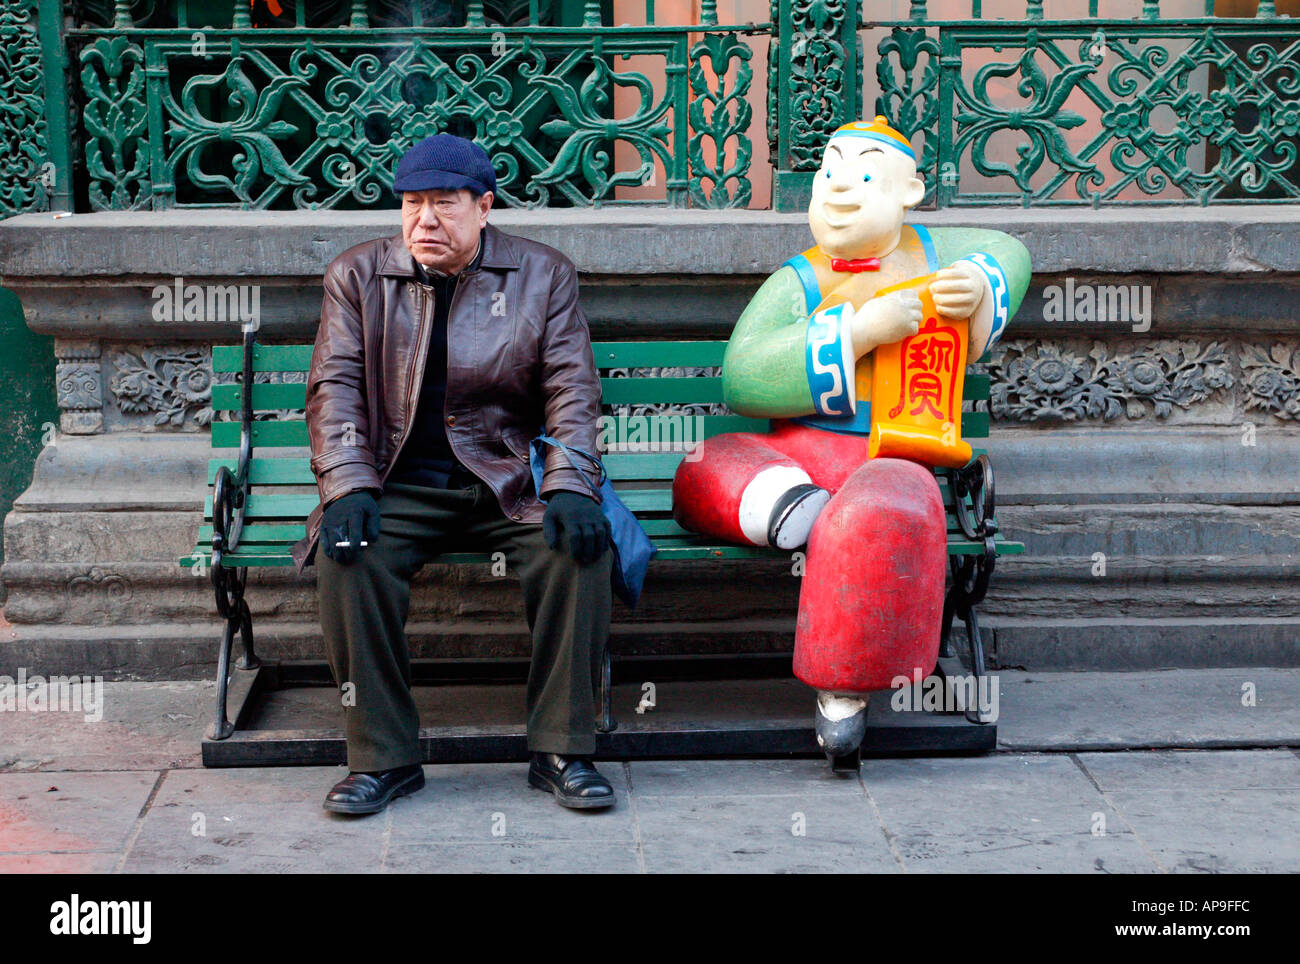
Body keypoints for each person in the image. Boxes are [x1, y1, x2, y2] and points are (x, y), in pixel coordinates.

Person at [672, 116, 1031, 757]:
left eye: (863, 176)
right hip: (792, 451)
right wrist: (860, 330)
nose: (839, 190)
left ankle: (843, 689)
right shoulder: (801, 279)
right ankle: (787, 506)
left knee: (880, 509)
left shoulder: (933, 254)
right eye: (829, 173)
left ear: (909, 192)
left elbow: (1009, 249)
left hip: (883, 454)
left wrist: (977, 285)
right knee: (708, 460)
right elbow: (743, 377)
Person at [290, 134, 616, 814]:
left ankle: (563, 749)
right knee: (349, 560)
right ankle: (384, 760)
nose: (424, 222)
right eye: (411, 204)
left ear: (484, 207)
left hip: (508, 479)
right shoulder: (357, 275)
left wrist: (568, 484)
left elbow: (572, 390)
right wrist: (348, 485)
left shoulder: (542, 274)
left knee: (579, 552)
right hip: (400, 482)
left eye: (444, 204)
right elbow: (335, 386)